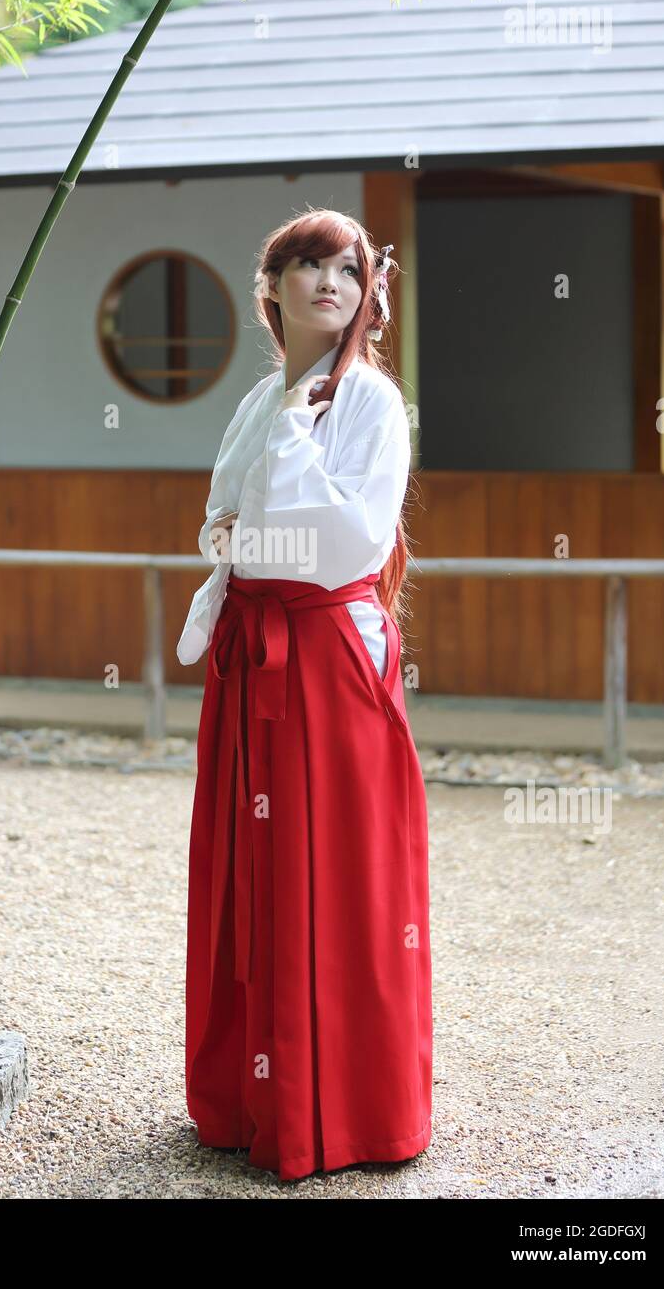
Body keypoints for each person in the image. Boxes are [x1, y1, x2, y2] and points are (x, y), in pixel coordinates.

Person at [177, 207, 432, 1182]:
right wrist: (250, 543)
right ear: (274, 287)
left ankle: (346, 1111)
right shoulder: (256, 401)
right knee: (246, 868)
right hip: (253, 657)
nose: (329, 279)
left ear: (365, 291)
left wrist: (257, 541)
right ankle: (249, 1101)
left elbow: (347, 546)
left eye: (346, 267)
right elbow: (214, 528)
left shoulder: (369, 403)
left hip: (327, 660)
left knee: (342, 874)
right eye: (308, 264)